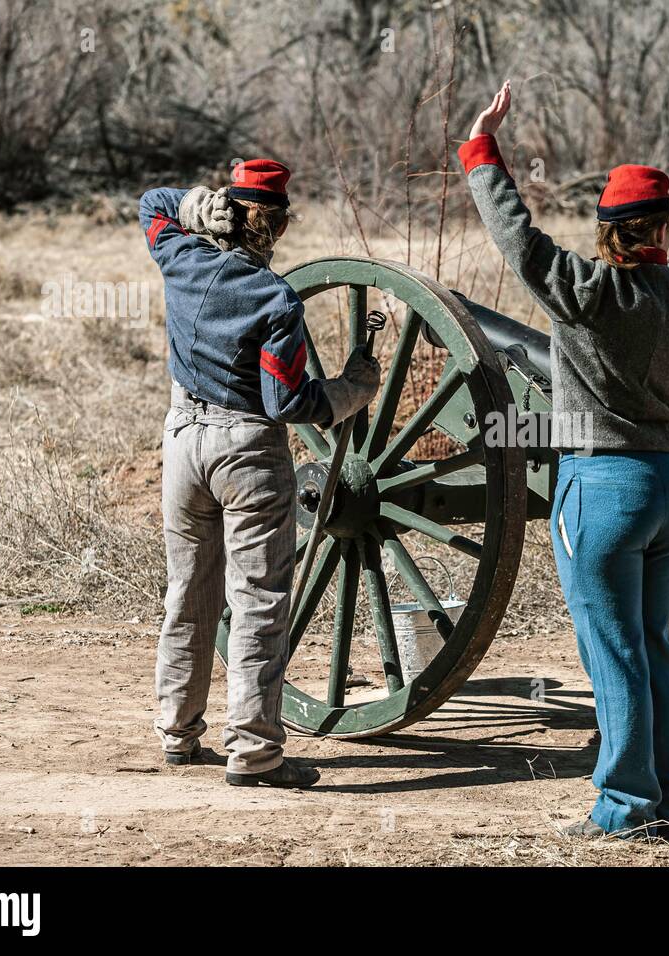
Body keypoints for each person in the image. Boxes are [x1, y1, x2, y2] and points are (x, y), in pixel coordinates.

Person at [459, 82, 669, 838]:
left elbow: (517, 239)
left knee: (613, 656)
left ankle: (624, 811)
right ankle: (664, 803)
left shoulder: (589, 293)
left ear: (609, 234)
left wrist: (481, 151)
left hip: (602, 487)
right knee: (655, 651)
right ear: (664, 230)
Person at [140, 158, 380, 787]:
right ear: (273, 227)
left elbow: (151, 205)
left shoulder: (180, 259)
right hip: (246, 449)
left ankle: (177, 731)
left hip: (181, 442)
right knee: (259, 602)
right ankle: (254, 753)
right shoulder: (275, 299)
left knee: (189, 591)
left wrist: (193, 206)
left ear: (225, 211)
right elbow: (289, 404)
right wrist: (353, 388)